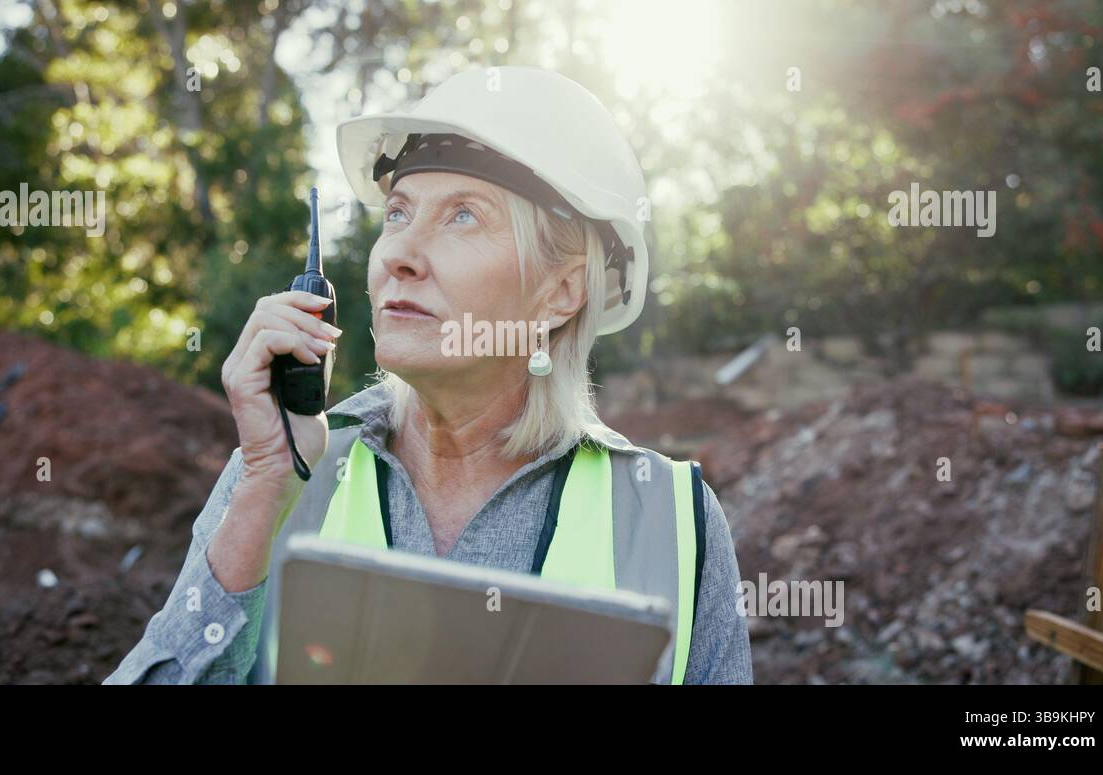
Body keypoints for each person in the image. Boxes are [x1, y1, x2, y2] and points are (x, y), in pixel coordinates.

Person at [105, 66, 752, 684]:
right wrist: (264, 488)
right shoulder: (276, 469)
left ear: (561, 290)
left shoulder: (673, 522)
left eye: (463, 215)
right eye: (398, 213)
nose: (399, 256)